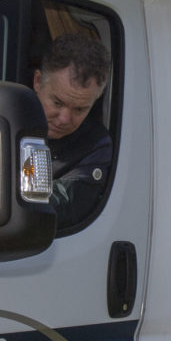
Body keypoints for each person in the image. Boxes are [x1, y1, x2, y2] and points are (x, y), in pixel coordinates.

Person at [31, 31, 113, 230]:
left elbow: (53, 209)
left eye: (80, 109)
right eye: (57, 102)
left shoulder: (96, 146)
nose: (65, 119)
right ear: (37, 82)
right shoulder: (2, 119)